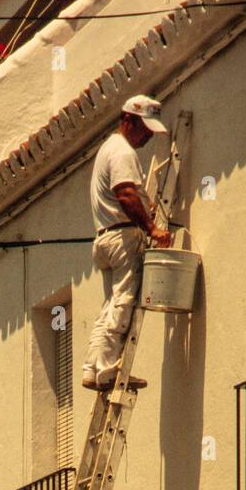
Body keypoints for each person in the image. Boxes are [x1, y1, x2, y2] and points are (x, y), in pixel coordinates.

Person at [82, 95, 172, 392]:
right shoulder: (121, 152)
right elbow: (126, 195)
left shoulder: (108, 148)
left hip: (104, 237)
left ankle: (93, 367)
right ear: (128, 120)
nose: (147, 135)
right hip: (122, 236)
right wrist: (152, 228)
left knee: (109, 304)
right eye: (144, 128)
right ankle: (108, 371)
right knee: (123, 300)